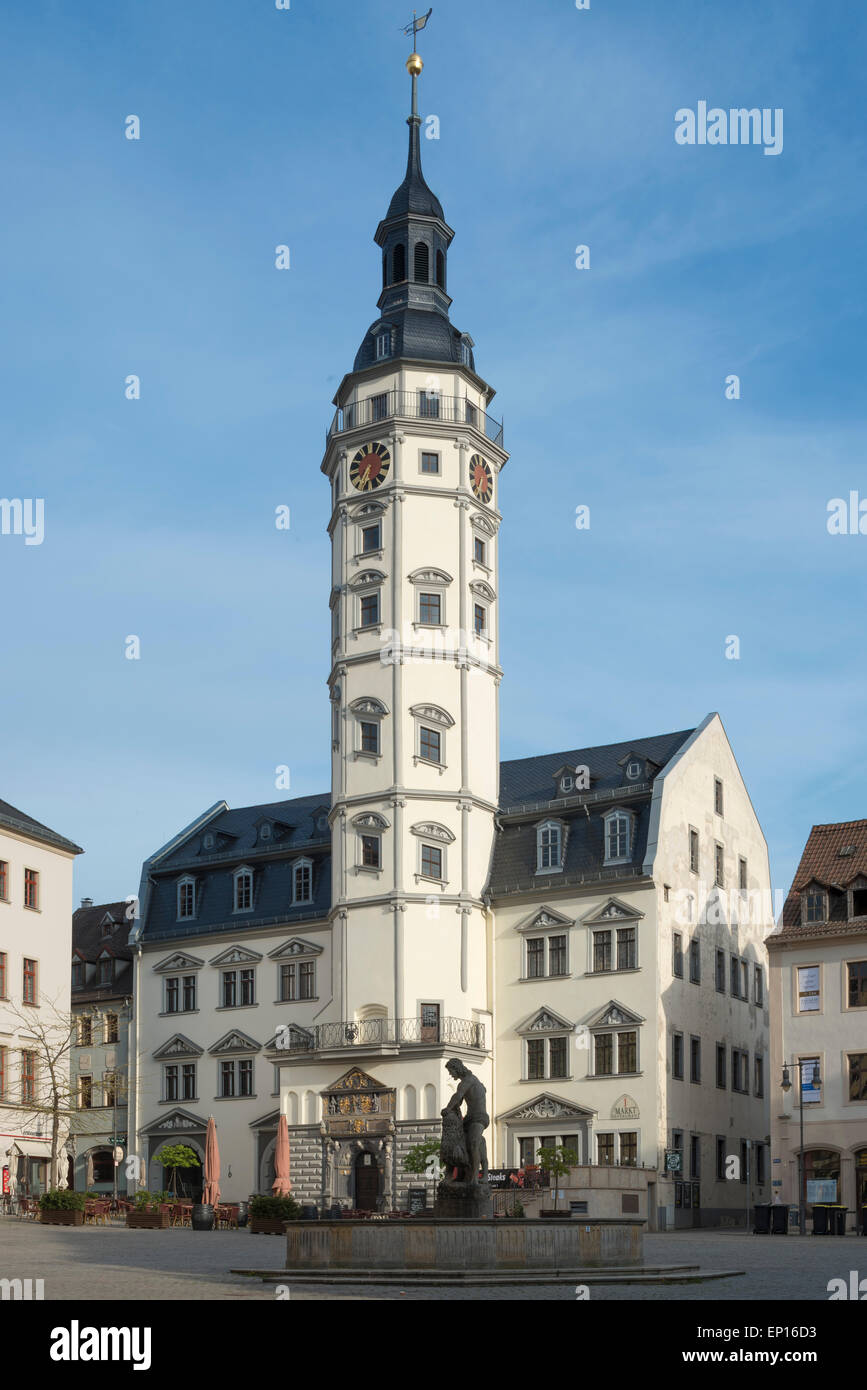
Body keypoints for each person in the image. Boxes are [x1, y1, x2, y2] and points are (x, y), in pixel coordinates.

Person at [442, 1059, 489, 1186]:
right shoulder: (471, 1081)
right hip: (469, 1119)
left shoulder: (468, 1080)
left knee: (473, 1144)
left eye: (451, 1071)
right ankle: (455, 1175)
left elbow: (457, 1096)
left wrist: (448, 1109)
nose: (451, 1075)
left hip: (478, 1118)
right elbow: (459, 1100)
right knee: (456, 1145)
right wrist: (454, 1108)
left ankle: (474, 1178)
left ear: (457, 1068)